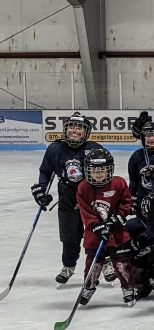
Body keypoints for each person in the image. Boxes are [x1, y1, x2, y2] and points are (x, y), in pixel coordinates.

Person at [32, 112, 103, 284]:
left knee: (98, 231)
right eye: (71, 127)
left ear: (86, 132)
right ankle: (68, 265)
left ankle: (105, 262)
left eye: (79, 128)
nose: (74, 131)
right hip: (67, 196)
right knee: (69, 235)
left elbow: (106, 173)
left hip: (91, 197)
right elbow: (45, 171)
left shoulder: (95, 148)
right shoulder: (55, 148)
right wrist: (41, 190)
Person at [75, 147, 136, 305]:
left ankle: (128, 288)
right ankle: (89, 287)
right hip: (94, 234)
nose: (98, 174)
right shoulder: (83, 187)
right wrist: (96, 225)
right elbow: (85, 211)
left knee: (122, 263)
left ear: (110, 169)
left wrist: (119, 215)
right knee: (93, 264)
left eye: (102, 170)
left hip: (117, 232)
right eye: (94, 170)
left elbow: (126, 202)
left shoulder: (118, 183)